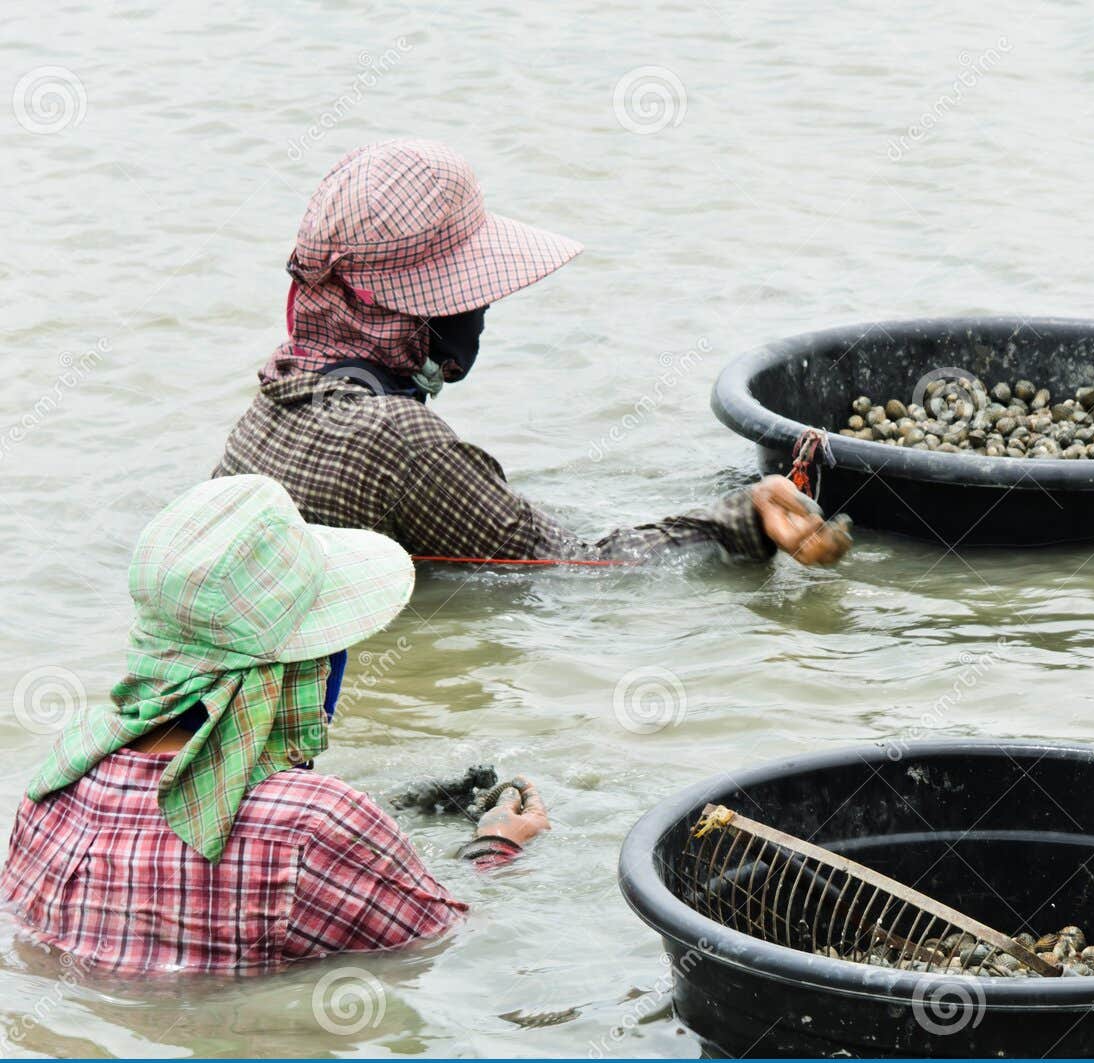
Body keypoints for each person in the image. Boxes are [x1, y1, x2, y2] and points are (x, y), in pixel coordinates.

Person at [213, 138, 849, 568]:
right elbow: (580, 570)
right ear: (416, 307)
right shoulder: (404, 442)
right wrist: (743, 518)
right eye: (470, 294)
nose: (481, 309)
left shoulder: (270, 404)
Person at [0, 475, 545, 975]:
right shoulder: (316, 822)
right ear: (310, 669)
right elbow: (455, 950)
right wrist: (498, 846)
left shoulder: (58, 778)